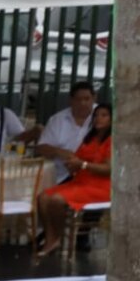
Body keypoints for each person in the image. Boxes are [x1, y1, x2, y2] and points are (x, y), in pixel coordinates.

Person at [35, 103, 112, 257]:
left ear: (112, 119)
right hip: (80, 182)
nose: (98, 118)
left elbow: (109, 170)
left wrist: (82, 165)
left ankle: (56, 237)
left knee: (57, 200)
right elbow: (78, 158)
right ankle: (52, 238)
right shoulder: (90, 138)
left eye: (104, 115)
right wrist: (72, 163)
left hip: (100, 186)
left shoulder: (112, 140)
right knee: (42, 197)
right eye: (96, 115)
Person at [33, 81, 98, 183]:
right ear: (71, 100)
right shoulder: (57, 120)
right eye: (78, 99)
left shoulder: (103, 116)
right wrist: (58, 152)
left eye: (87, 99)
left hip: (94, 175)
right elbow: (40, 148)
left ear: (94, 98)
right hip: (61, 176)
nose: (83, 103)